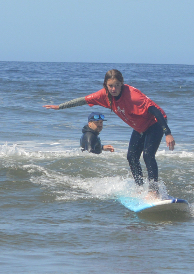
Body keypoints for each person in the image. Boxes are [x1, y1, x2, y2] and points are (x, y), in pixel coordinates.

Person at [45, 69, 175, 194]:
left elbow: (155, 111)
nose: (114, 89)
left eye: (117, 85)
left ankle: (153, 191)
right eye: (110, 86)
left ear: (122, 84)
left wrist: (167, 133)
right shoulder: (104, 95)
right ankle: (140, 188)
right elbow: (83, 100)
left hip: (156, 123)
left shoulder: (133, 96)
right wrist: (60, 107)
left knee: (147, 155)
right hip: (139, 127)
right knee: (131, 157)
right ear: (106, 85)